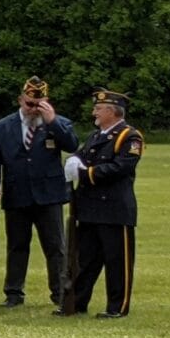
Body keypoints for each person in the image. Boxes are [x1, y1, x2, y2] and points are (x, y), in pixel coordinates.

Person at [0, 76, 77, 308]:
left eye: (39, 104)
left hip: (49, 194)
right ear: (20, 100)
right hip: (17, 193)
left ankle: (60, 293)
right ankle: (14, 293)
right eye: (29, 104)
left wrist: (51, 120)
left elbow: (72, 145)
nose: (33, 110)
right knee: (17, 246)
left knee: (55, 247)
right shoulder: (2, 127)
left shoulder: (58, 123)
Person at [63, 89, 144, 318]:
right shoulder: (96, 135)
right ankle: (76, 302)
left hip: (114, 209)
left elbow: (120, 168)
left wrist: (86, 173)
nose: (94, 113)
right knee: (85, 260)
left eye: (98, 109)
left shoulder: (129, 136)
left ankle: (117, 307)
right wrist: (74, 159)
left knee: (117, 262)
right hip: (90, 208)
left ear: (111, 111)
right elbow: (82, 154)